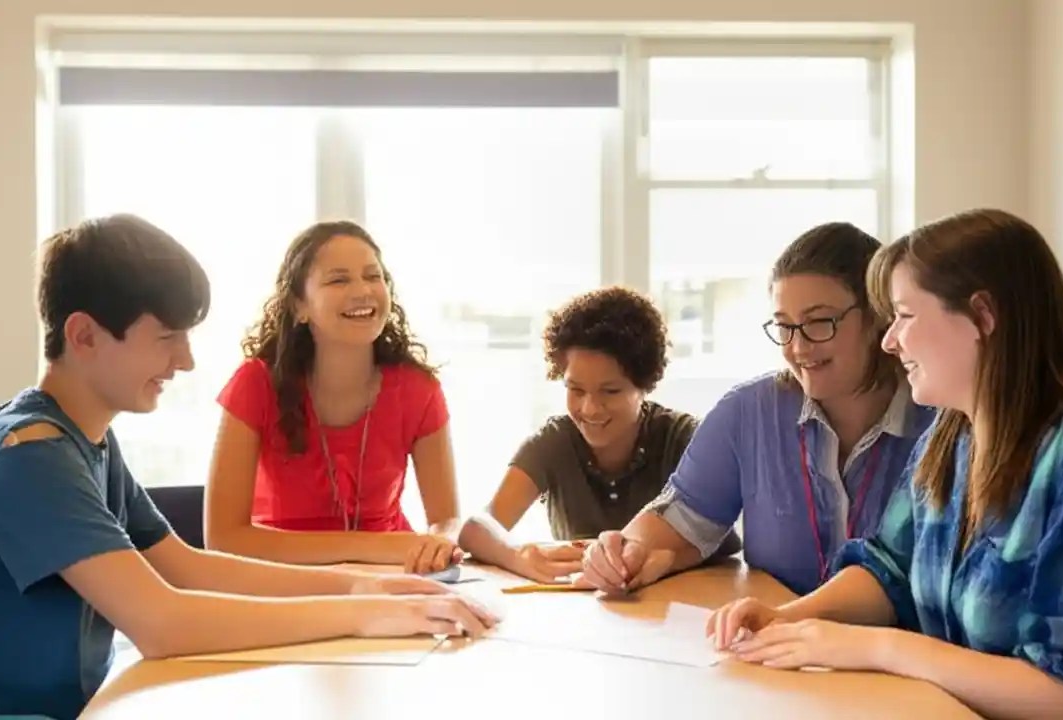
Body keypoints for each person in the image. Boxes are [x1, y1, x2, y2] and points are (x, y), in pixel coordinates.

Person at [0, 215, 496, 719]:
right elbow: (163, 623)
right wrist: (363, 614)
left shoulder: (84, 442)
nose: (185, 361)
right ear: (84, 336)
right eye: (167, 338)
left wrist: (365, 588)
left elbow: (190, 568)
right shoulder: (29, 457)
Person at [707, 209, 1063, 720]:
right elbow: (889, 569)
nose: (889, 340)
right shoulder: (951, 436)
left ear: (982, 317)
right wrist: (787, 620)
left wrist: (879, 648)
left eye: (904, 316)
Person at [581, 223, 933, 595]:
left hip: (893, 636)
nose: (798, 347)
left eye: (818, 322)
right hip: (775, 630)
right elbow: (681, 521)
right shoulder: (748, 412)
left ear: (877, 316)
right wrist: (624, 553)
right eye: (784, 327)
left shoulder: (942, 419)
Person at [206, 220, 461, 575]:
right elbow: (223, 539)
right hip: (282, 580)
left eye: (373, 276)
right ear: (299, 306)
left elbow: (446, 520)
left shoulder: (419, 389)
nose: (363, 291)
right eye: (339, 280)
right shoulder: (255, 384)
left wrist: (439, 541)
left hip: (387, 577)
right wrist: (372, 546)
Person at [458, 287, 698, 582]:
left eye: (610, 391)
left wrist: (666, 558)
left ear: (644, 386)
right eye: (576, 390)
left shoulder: (684, 439)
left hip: (683, 600)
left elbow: (720, 537)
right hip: (587, 602)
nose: (590, 408)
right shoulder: (553, 442)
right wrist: (517, 554)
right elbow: (478, 526)